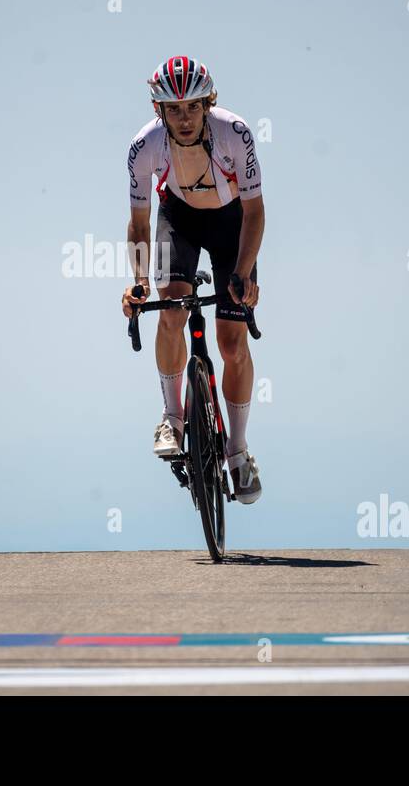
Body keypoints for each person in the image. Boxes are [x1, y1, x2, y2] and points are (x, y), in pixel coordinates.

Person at [121, 56, 265, 503]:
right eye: (173, 109)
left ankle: (238, 453)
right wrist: (139, 282)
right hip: (178, 220)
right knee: (170, 309)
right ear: (158, 111)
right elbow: (140, 224)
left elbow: (256, 213)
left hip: (231, 225)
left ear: (208, 104)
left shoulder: (235, 133)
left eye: (192, 107)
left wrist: (242, 274)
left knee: (231, 343)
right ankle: (173, 415)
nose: (183, 119)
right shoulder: (144, 147)